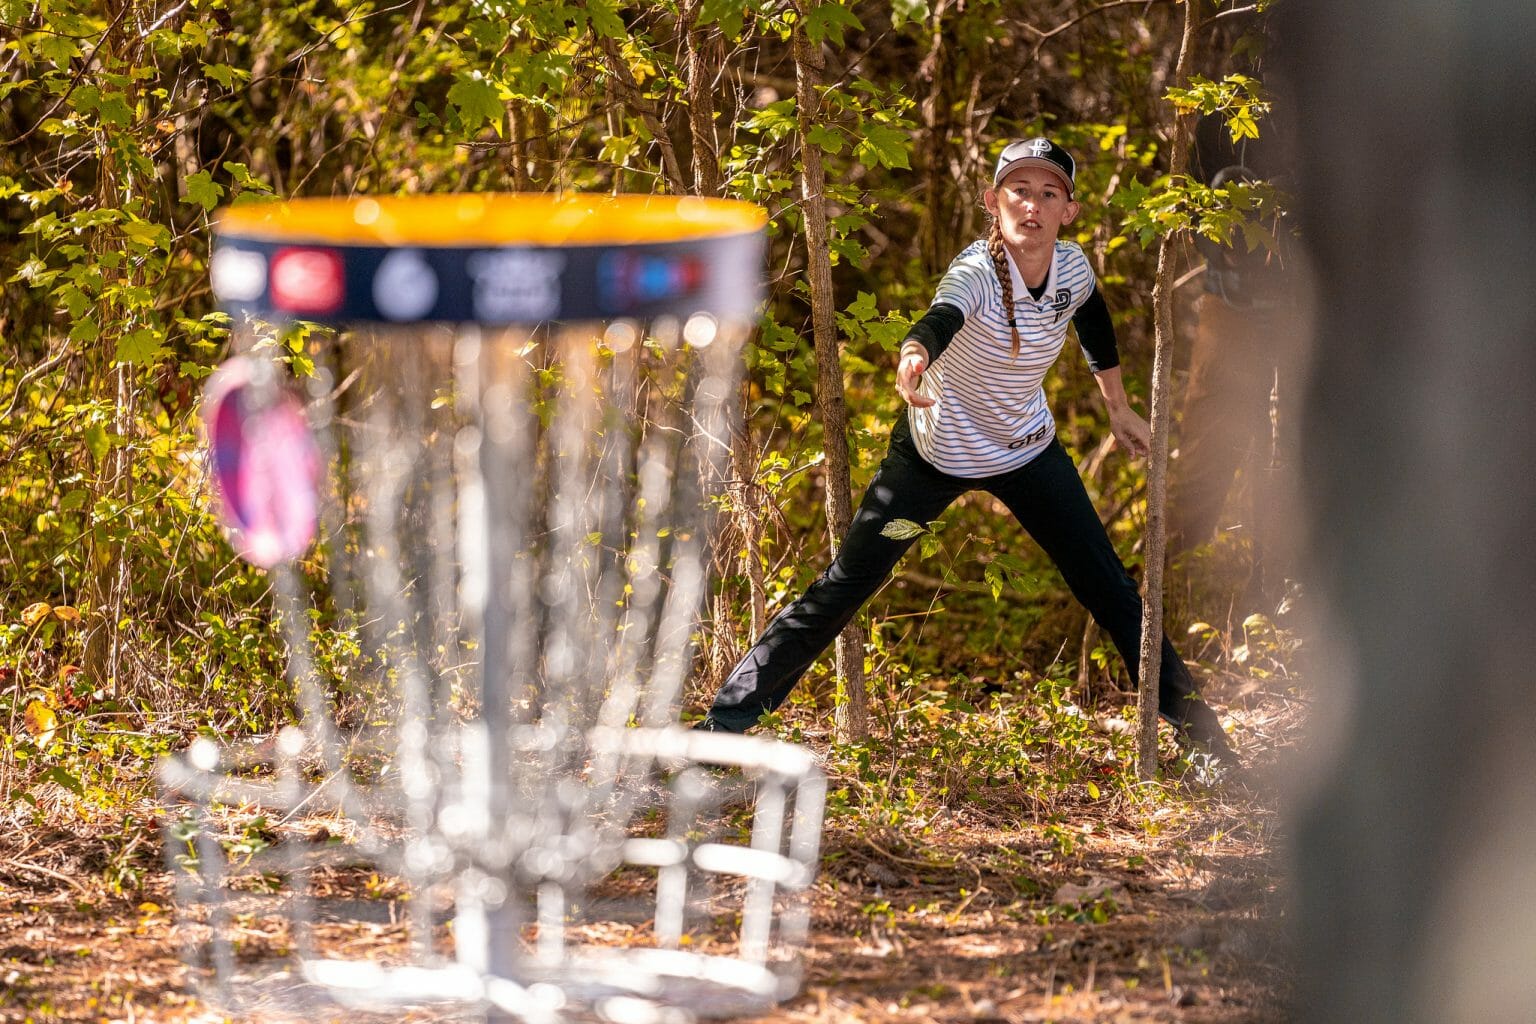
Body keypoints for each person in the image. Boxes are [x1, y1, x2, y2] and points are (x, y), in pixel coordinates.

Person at [697, 136, 1235, 760]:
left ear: (1069, 210)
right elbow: (939, 319)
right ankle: (724, 726)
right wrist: (912, 356)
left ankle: (1209, 750)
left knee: (1111, 588)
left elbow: (1091, 318)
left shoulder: (1073, 269)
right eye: (1019, 190)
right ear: (993, 201)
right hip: (933, 458)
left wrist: (1116, 405)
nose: (1032, 205)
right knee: (846, 583)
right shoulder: (977, 273)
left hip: (1027, 455)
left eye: (1048, 193)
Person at [1167, 111, 1300, 607]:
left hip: (1306, 307)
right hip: (1230, 305)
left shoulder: (1337, 98)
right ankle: (1172, 587)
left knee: (1290, 443)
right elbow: (1189, 200)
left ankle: (1280, 586)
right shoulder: (1216, 116)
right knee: (1206, 440)